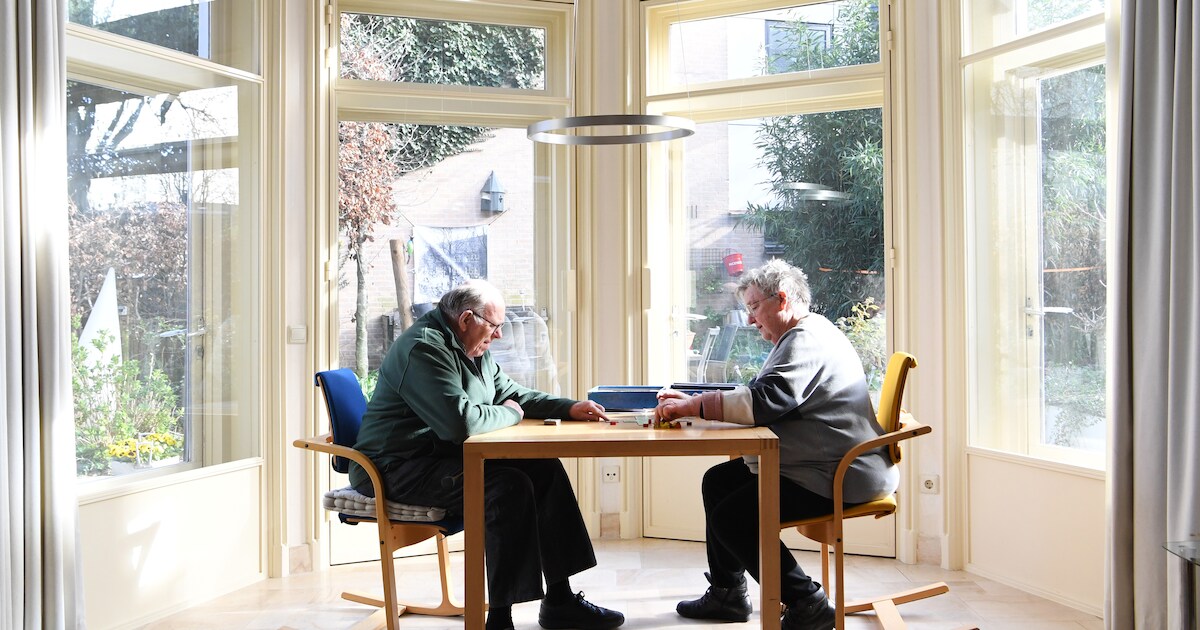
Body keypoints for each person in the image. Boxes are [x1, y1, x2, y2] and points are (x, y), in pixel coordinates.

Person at [349, 279, 624, 630]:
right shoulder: (423, 349)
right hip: (397, 468)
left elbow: (512, 394)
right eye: (494, 326)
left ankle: (560, 600)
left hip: (439, 458)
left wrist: (570, 407)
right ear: (466, 319)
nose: (499, 336)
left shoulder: (472, 347)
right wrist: (510, 413)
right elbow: (459, 424)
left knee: (543, 469)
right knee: (505, 486)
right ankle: (499, 619)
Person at [654, 260, 897, 630]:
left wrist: (693, 405)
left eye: (753, 308)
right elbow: (761, 393)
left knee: (733, 518)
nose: (751, 320)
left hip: (839, 474)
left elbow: (768, 400)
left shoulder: (805, 339)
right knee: (718, 481)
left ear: (781, 299)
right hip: (819, 463)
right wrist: (694, 398)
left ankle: (808, 602)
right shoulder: (803, 334)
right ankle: (728, 593)